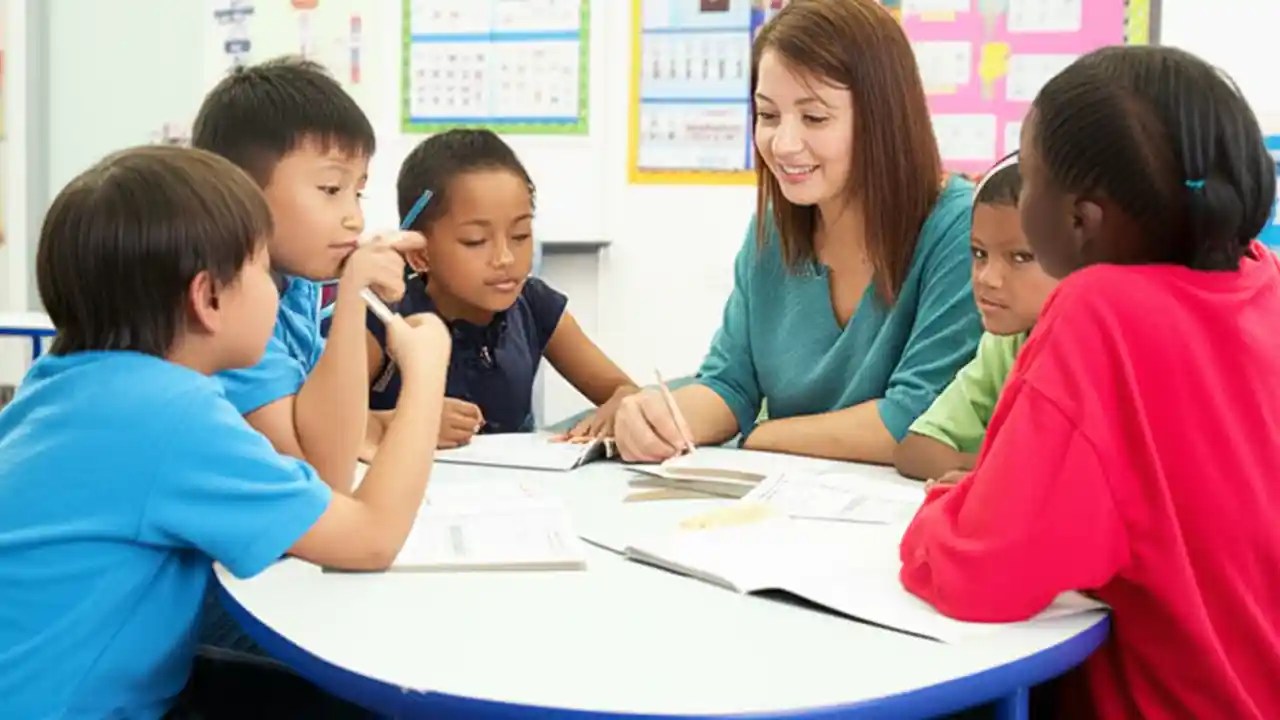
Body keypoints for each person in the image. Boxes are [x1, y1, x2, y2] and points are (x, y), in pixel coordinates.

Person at [0, 146, 450, 719]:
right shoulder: (169, 414)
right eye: (264, 269)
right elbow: (370, 539)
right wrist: (427, 371)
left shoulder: (59, 382)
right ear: (208, 298)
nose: (273, 288)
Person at [899, 46, 1280, 719]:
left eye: (1029, 168)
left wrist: (939, 518)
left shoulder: (1100, 310)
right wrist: (1005, 498)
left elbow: (984, 575)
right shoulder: (1262, 277)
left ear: (1080, 219)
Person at [613, 0, 981, 464]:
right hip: (789, 517)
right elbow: (730, 383)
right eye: (768, 116)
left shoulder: (959, 228)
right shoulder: (774, 227)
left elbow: (914, 422)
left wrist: (760, 436)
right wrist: (659, 416)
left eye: (815, 118)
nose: (783, 144)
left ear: (883, 118)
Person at [192, 56, 420, 492]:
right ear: (239, 190)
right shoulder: (223, 312)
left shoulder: (293, 294)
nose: (354, 217)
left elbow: (317, 421)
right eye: (331, 190)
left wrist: (382, 423)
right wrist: (354, 298)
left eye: (358, 192)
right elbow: (322, 474)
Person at [362, 129, 639, 451]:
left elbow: (624, 390)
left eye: (520, 235)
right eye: (475, 241)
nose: (506, 258)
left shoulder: (534, 305)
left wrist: (622, 405)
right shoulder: (381, 315)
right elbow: (323, 424)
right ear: (420, 254)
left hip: (514, 494)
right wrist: (399, 421)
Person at [894, 153, 1058, 481]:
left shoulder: (1099, 358)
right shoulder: (1004, 344)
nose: (987, 277)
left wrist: (990, 475)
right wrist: (990, 474)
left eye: (1021, 257)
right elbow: (915, 450)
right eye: (979, 253)